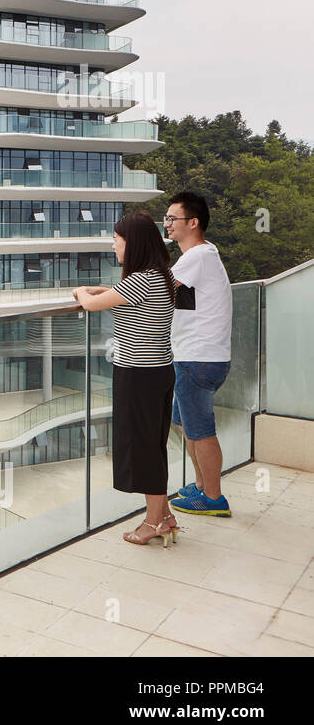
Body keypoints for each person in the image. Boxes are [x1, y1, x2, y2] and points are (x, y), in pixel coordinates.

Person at [72, 211, 178, 547]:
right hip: (159, 371)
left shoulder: (139, 280)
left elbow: (90, 305)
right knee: (153, 444)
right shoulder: (160, 275)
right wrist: (105, 291)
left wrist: (81, 291)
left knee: (143, 448)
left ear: (133, 244)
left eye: (117, 241)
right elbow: (126, 297)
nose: (114, 247)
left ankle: (152, 522)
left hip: (138, 374)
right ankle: (165, 516)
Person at [163, 191, 233, 517]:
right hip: (197, 357)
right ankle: (203, 486)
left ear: (193, 222)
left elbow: (157, 289)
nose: (167, 224)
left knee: (201, 431)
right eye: (166, 218)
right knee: (185, 424)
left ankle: (214, 498)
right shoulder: (203, 256)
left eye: (172, 218)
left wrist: (104, 295)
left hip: (198, 359)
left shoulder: (197, 256)